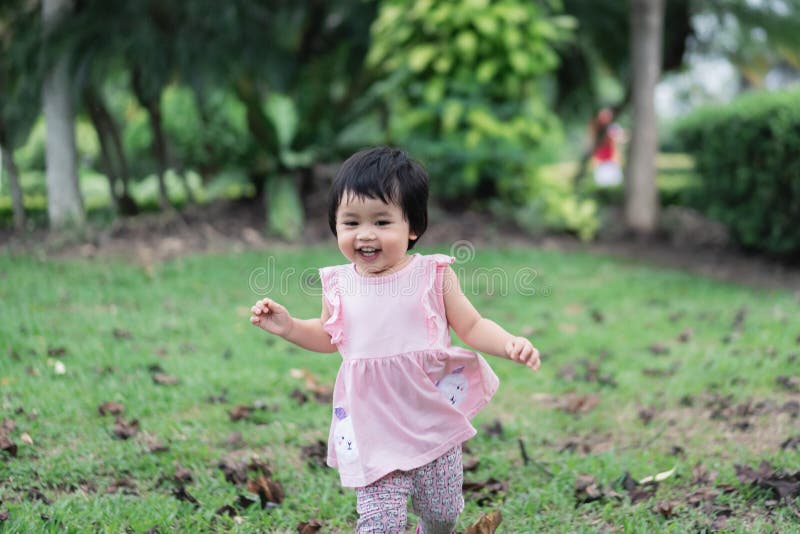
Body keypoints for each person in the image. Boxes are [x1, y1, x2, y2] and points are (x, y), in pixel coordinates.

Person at [248, 146, 541, 534]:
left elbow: (471, 325)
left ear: (413, 227)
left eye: (382, 221)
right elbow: (330, 336)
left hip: (429, 417)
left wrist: (509, 343)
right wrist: (289, 327)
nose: (365, 234)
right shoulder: (339, 284)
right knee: (379, 521)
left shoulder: (434, 275)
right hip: (372, 423)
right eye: (351, 222)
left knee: (442, 513)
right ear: (335, 225)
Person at [589, 107, 625, 187]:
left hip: (612, 162)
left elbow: (620, 138)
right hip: (600, 163)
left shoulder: (613, 128)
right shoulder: (596, 129)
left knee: (614, 184)